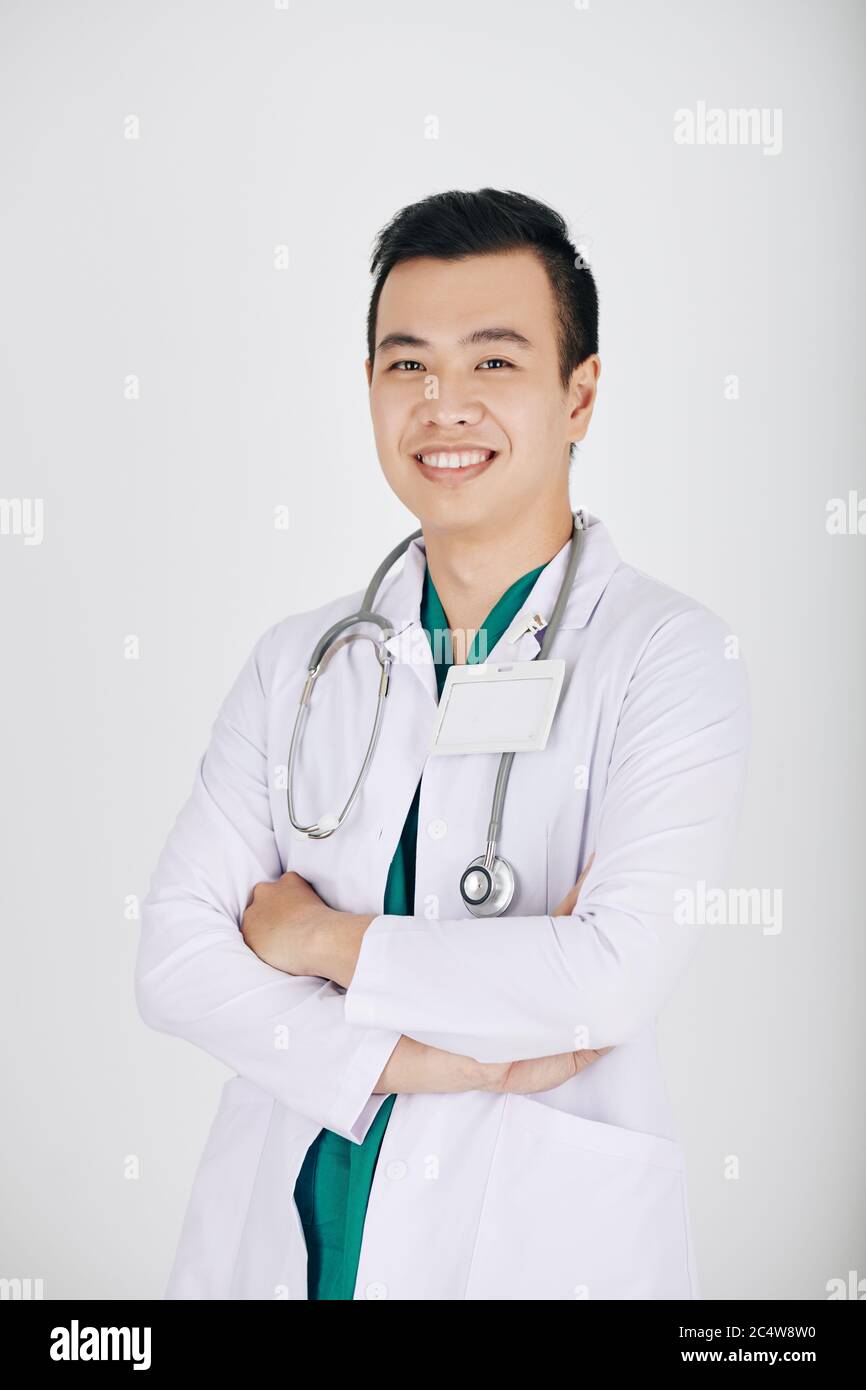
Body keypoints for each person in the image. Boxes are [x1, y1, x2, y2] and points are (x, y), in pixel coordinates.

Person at [135, 188, 751, 1301]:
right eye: (404, 364)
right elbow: (176, 963)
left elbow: (604, 980)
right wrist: (420, 1062)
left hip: (534, 1245)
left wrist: (316, 939)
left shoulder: (669, 656)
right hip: (288, 1236)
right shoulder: (300, 661)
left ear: (580, 394)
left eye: (493, 363)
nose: (441, 404)